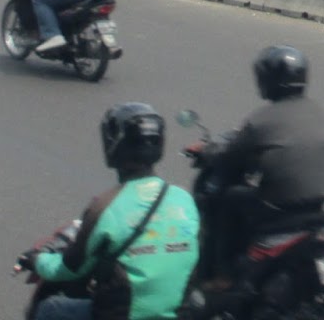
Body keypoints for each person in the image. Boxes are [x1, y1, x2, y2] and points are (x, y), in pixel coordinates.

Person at [26, 102, 200, 320]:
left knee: (50, 309)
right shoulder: (184, 199)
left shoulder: (105, 205)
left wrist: (37, 260)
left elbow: (70, 268)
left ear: (113, 144)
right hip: (177, 314)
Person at [188, 46, 324, 296]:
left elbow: (230, 154)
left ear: (267, 80)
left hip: (279, 208)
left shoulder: (261, 120)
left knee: (229, 198)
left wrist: (206, 152)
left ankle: (223, 276)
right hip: (318, 207)